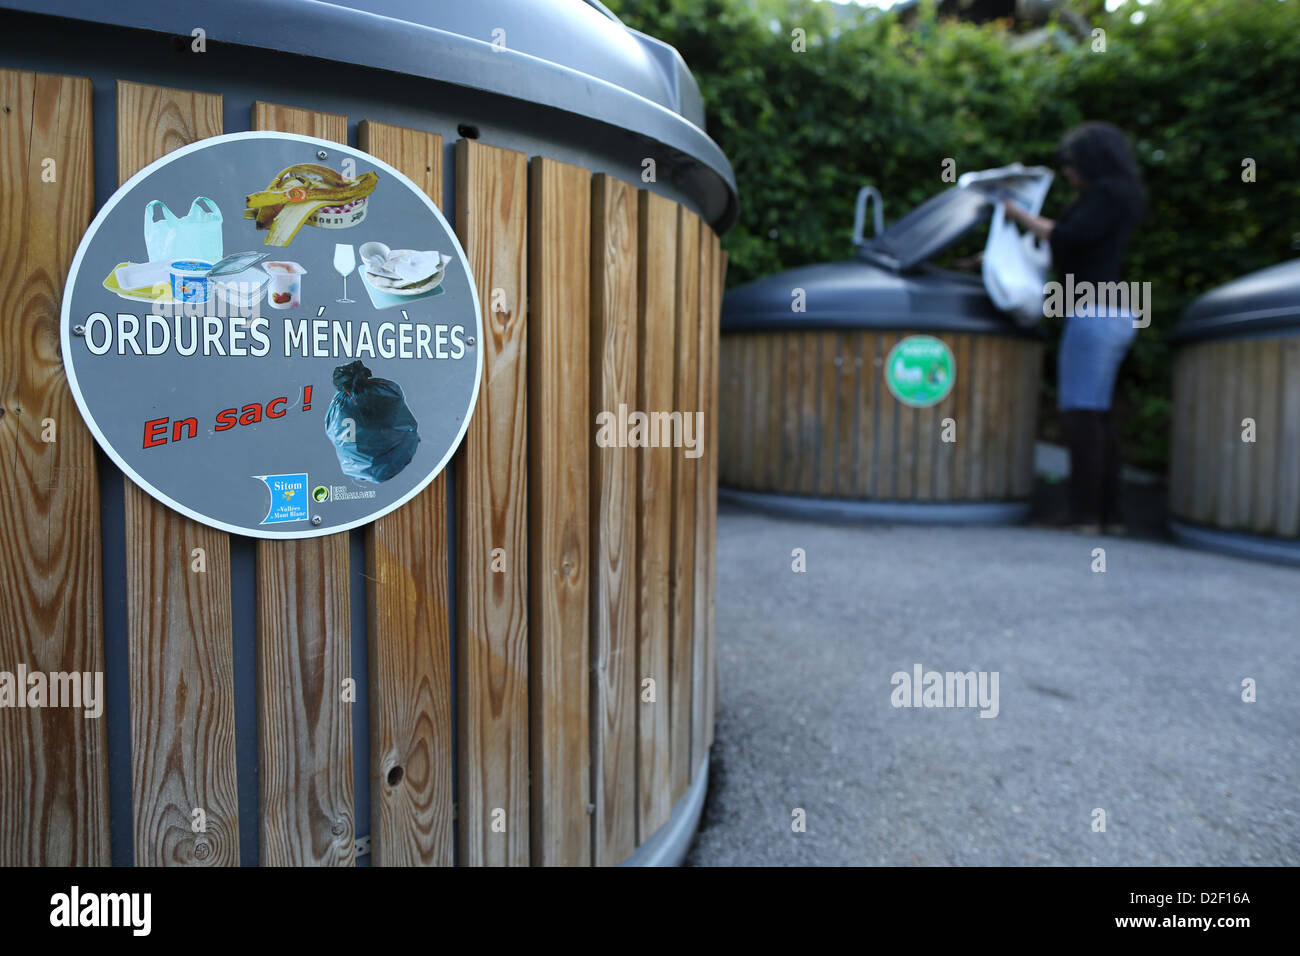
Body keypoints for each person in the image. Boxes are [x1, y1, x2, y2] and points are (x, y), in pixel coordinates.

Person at [1003, 121, 1147, 534]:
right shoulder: (1118, 196)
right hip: (1117, 309)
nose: (1067, 171)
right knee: (1096, 413)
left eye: (1071, 163)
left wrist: (1015, 213)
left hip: (1094, 309)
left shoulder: (1105, 195)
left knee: (1080, 413)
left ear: (1090, 161)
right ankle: (1110, 516)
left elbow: (1067, 237)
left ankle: (1084, 514)